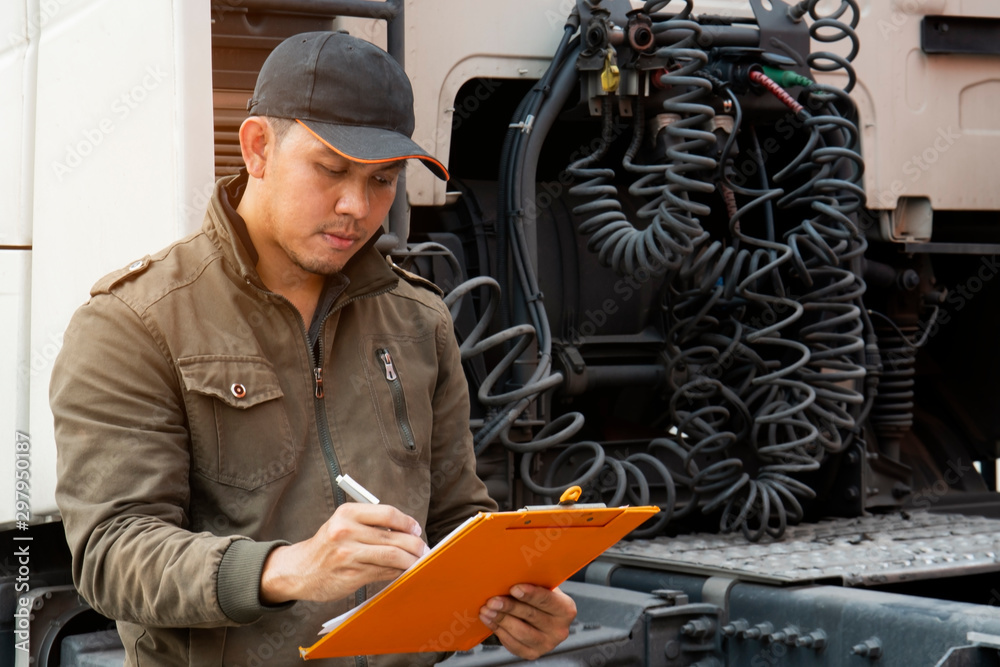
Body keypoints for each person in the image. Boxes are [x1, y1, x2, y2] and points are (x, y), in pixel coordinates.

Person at [51, 31, 575, 666]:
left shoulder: (419, 319)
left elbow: (454, 519)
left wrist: (511, 603)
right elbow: (112, 554)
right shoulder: (134, 323)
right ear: (257, 149)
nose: (356, 206)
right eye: (330, 169)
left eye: (383, 180)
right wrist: (287, 568)